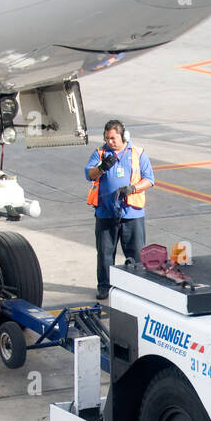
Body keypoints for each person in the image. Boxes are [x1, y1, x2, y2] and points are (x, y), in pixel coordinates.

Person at [86, 119, 155, 300]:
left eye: (113, 138)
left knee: (136, 253)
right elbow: (88, 174)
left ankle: (137, 287)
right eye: (107, 138)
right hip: (106, 213)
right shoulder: (101, 153)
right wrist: (101, 168)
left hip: (131, 213)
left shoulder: (137, 153)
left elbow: (149, 179)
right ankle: (104, 286)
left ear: (123, 136)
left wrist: (133, 188)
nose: (110, 142)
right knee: (105, 254)